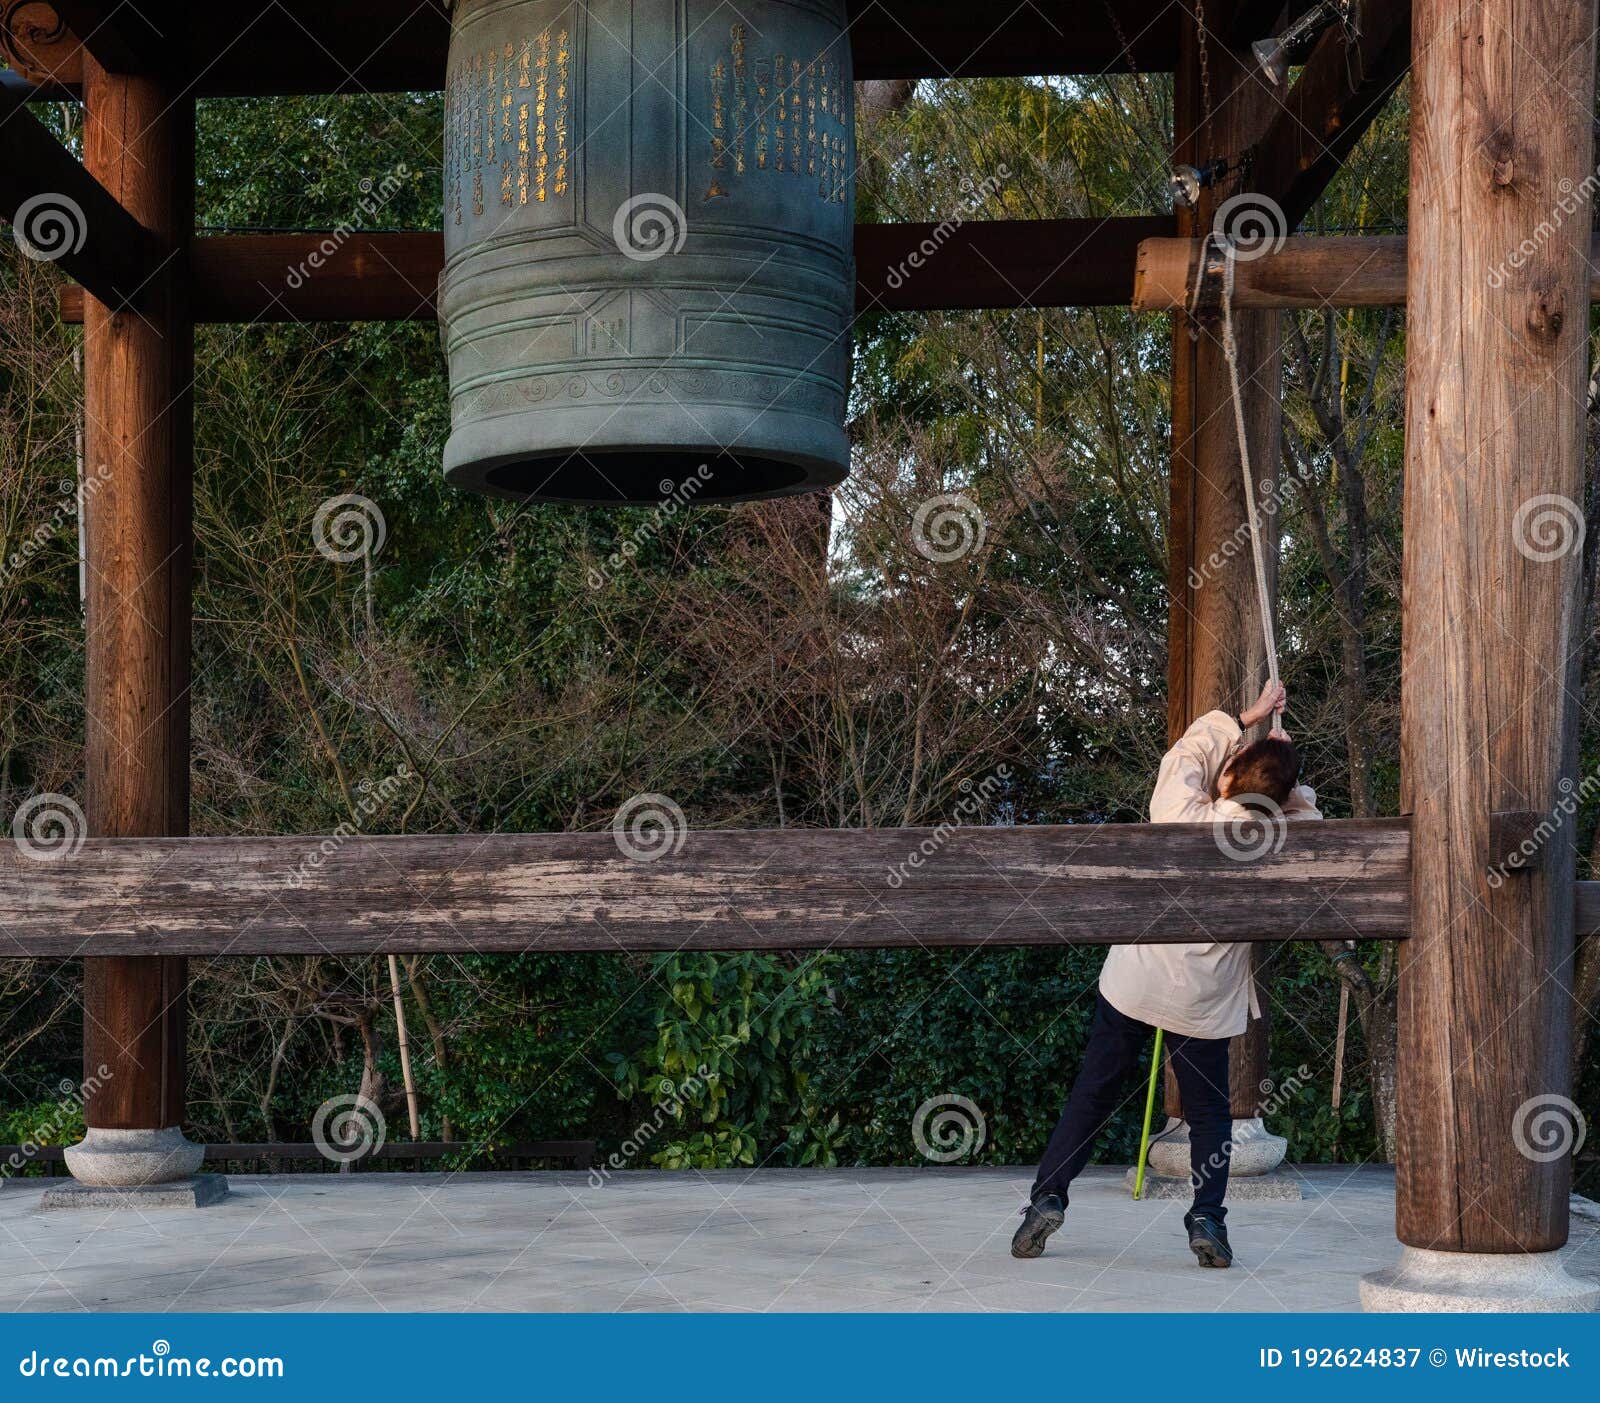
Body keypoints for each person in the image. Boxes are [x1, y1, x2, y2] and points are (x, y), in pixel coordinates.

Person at [1009, 680, 1321, 1268]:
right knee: (1208, 1113)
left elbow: (1183, 756)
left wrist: (1244, 720)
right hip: (1205, 998)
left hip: (1138, 977)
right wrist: (1285, 778)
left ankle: (1049, 1195)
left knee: (1094, 1092)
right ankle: (1208, 1217)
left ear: (1227, 779)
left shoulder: (1181, 815)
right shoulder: (1279, 841)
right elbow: (1309, 818)